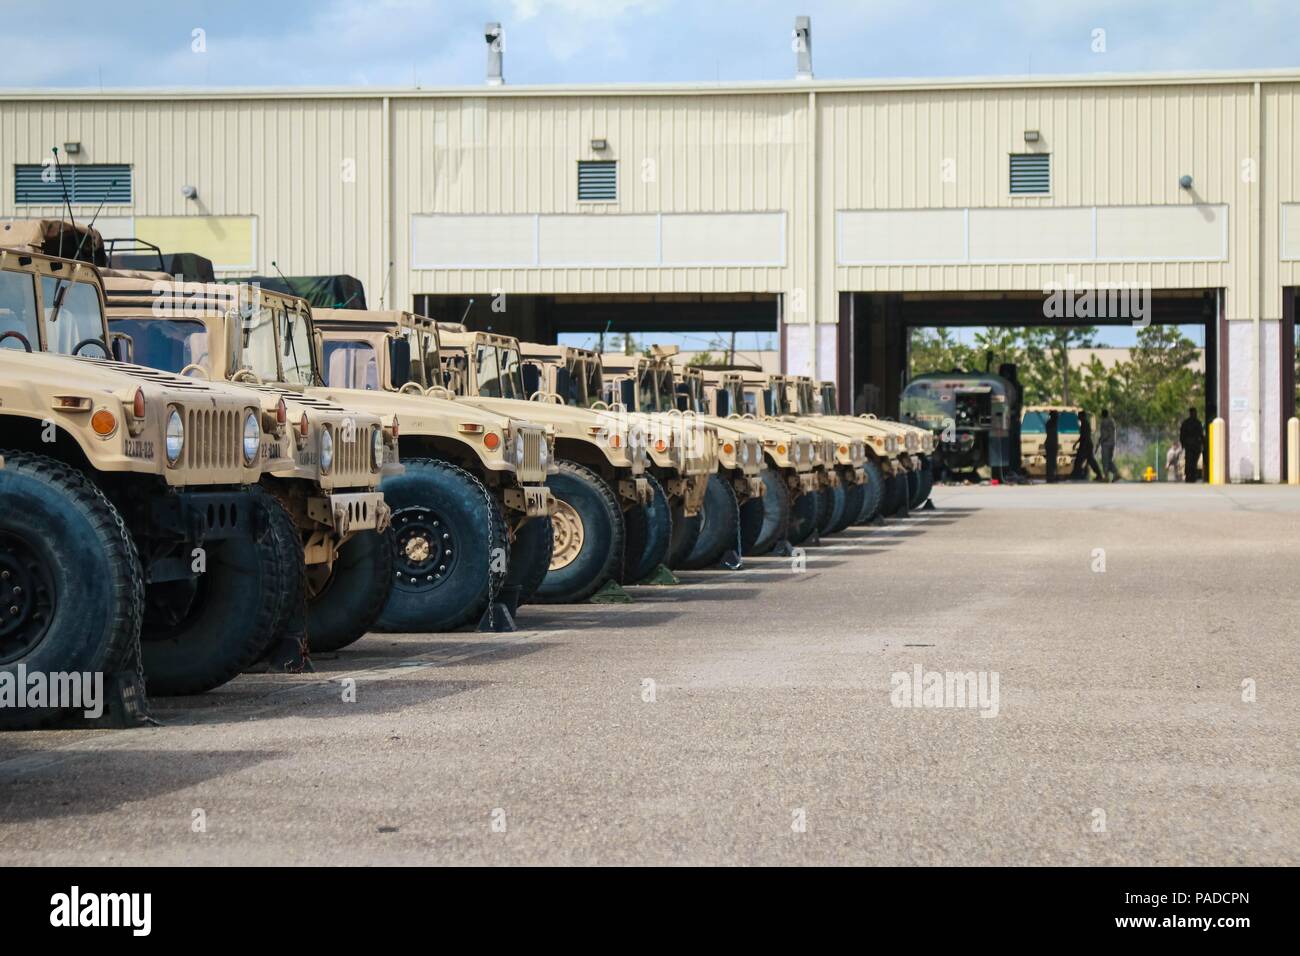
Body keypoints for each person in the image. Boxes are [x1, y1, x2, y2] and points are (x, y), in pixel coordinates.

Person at [1072, 410, 1103, 480]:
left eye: (1079, 416)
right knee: (1088, 460)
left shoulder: (1085, 424)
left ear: (1082, 416)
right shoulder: (1083, 423)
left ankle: (1077, 475)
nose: (1078, 417)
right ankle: (1077, 474)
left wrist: (1081, 446)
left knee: (1081, 460)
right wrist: (1076, 443)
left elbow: (1085, 436)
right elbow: (1082, 436)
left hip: (1086, 445)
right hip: (1085, 444)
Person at [1179, 407, 1205, 483]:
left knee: (1191, 462)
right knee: (1192, 462)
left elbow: (1182, 435)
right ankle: (1191, 476)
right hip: (1193, 445)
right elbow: (1201, 435)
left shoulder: (1187, 423)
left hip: (1191, 445)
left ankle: (1190, 476)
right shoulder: (1196, 423)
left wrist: (1183, 444)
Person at [1098, 409, 1119, 482]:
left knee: (1105, 461)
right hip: (1112, 443)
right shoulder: (1112, 421)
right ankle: (1116, 473)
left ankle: (1106, 476)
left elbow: (1104, 434)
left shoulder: (1104, 422)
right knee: (1109, 460)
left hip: (1106, 443)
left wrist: (1100, 441)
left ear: (1102, 415)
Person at [1044, 410, 1060, 483]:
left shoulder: (1052, 423)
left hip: (1051, 444)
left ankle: (1053, 476)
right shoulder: (1051, 423)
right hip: (1051, 444)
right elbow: (1051, 435)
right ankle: (1050, 477)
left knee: (1052, 461)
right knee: (1051, 462)